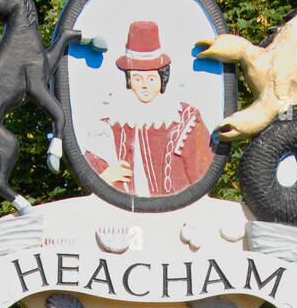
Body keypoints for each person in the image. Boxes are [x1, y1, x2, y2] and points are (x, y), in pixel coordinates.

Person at [85, 21, 213, 197]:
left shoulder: (186, 118)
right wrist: (105, 177)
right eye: (138, 79)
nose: (145, 85)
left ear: (162, 78)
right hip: (122, 213)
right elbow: (91, 164)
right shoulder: (113, 118)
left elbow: (202, 170)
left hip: (174, 213)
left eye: (151, 79)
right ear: (129, 80)